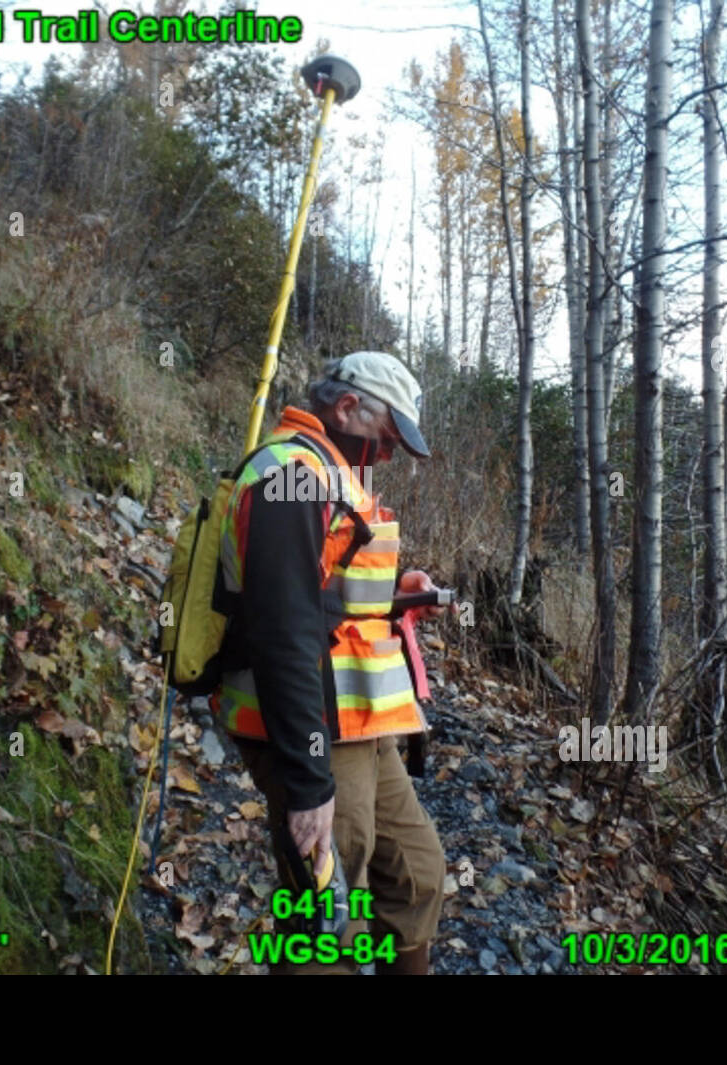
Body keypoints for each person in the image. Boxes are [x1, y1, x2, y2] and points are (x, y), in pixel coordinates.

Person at [210, 351, 448, 974]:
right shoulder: (290, 476)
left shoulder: (330, 473)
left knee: (418, 876)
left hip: (362, 721)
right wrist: (309, 784)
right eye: (388, 437)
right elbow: (282, 632)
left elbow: (322, 594)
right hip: (311, 725)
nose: (390, 455)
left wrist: (393, 595)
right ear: (347, 408)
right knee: (327, 921)